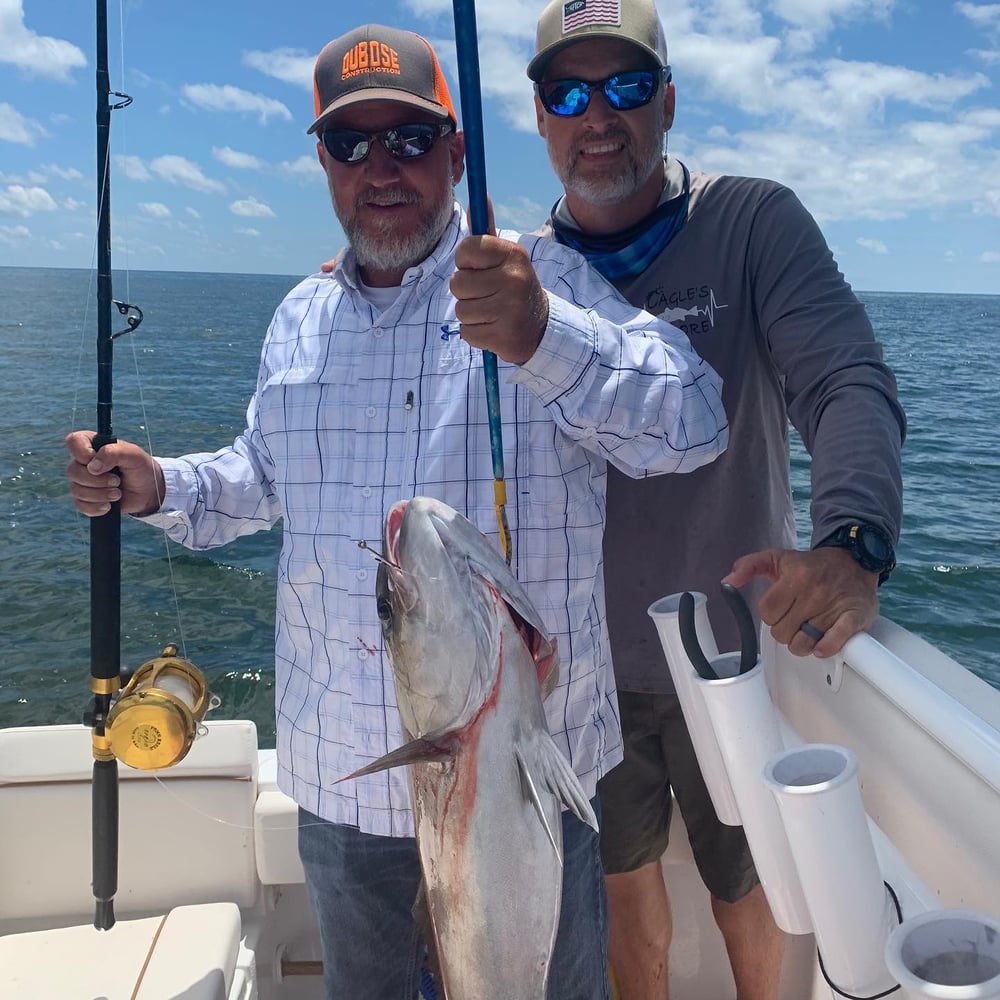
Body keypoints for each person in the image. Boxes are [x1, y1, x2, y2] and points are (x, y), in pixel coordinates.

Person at [66, 23, 729, 1000]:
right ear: (324, 163)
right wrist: (157, 486)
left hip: (521, 779)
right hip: (344, 784)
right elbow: (259, 473)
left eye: (410, 139)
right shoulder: (299, 316)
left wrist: (543, 335)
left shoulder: (541, 280)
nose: (381, 166)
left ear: (456, 157)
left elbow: (694, 420)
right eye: (350, 142)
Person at [526, 1, 906, 998]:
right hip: (581, 669)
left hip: (729, 649)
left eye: (627, 85)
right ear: (538, 117)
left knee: (752, 886)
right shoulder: (523, 276)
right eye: (568, 91)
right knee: (620, 888)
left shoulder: (751, 223)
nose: (597, 113)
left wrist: (852, 541)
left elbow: (844, 379)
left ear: (670, 102)